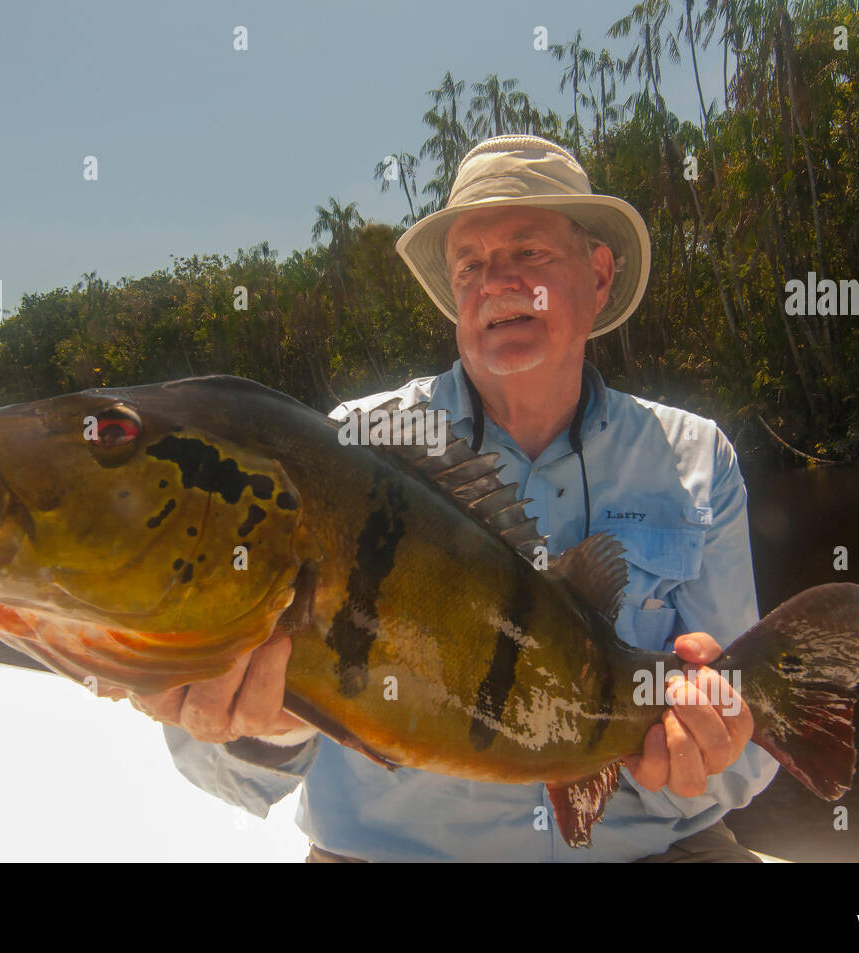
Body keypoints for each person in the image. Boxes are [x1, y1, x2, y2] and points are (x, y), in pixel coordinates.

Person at [133, 135, 777, 862]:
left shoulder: (697, 458)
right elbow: (215, 767)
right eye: (469, 265)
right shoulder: (354, 445)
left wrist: (697, 751)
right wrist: (261, 725)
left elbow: (753, 756)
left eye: (527, 253)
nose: (496, 282)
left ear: (599, 275)